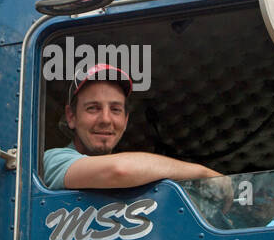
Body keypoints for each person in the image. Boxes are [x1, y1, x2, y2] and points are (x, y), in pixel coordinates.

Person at [42, 64, 229, 194]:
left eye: (115, 109)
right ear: (71, 116)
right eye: (93, 108)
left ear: (125, 120)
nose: (106, 119)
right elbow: (119, 170)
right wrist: (202, 174)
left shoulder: (142, 173)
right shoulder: (53, 160)